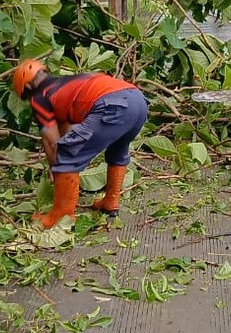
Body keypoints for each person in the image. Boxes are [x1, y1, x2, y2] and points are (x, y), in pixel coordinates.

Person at [11, 60, 149, 228]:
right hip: (138, 101)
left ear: (27, 88)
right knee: (117, 149)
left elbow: (52, 142)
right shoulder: (65, 84)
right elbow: (66, 130)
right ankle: (110, 202)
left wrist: (58, 170)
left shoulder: (40, 97)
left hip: (112, 106)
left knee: (66, 154)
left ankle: (61, 217)